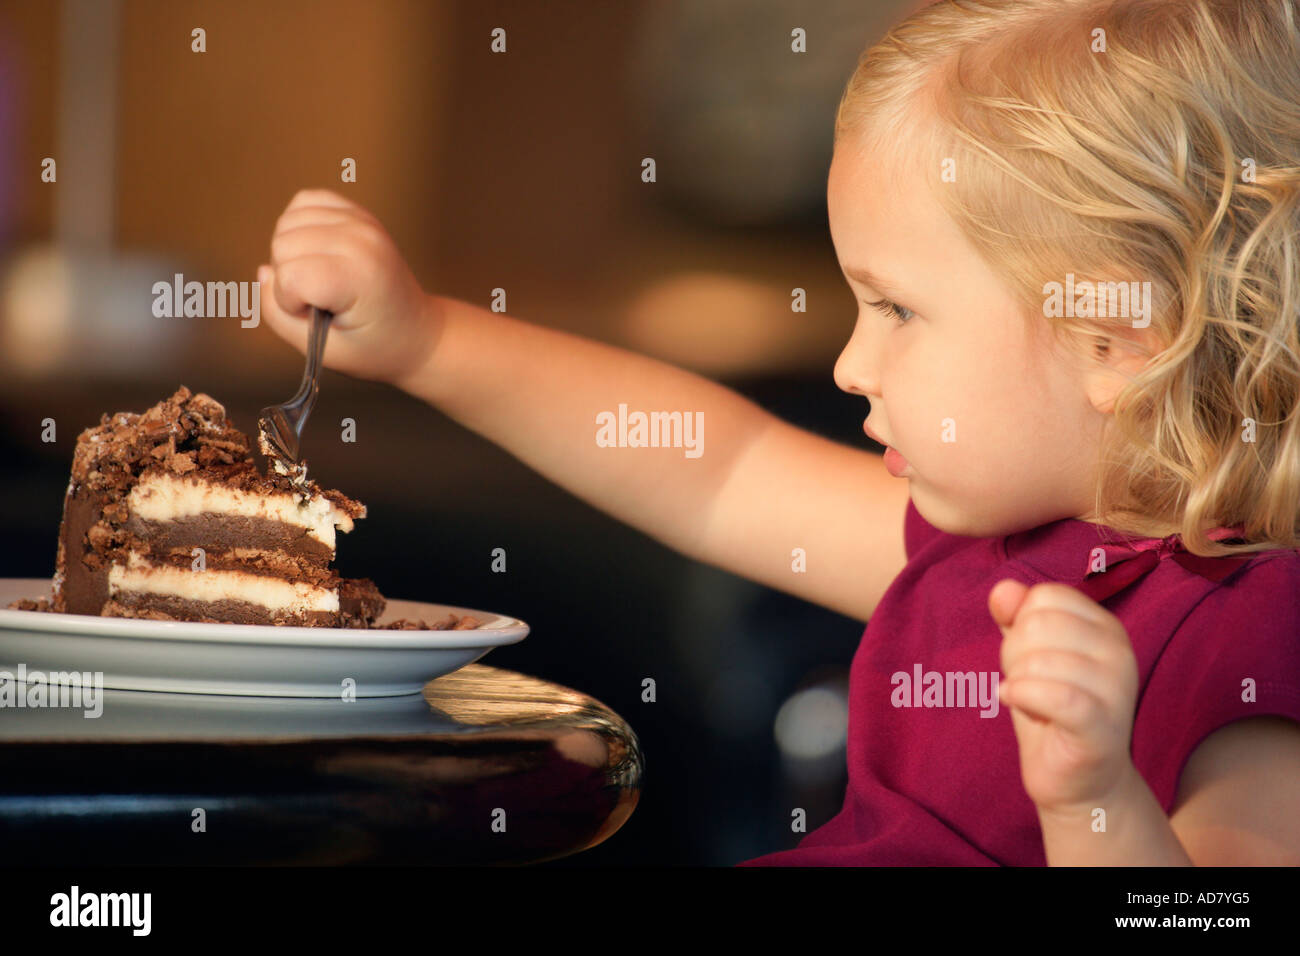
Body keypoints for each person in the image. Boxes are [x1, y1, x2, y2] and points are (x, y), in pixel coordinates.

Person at [257, 0, 1300, 865]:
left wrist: (1092, 802)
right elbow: (716, 465)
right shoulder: (976, 543)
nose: (850, 366)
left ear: (1117, 341)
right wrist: (427, 340)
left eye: (894, 309)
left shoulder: (1251, 637)